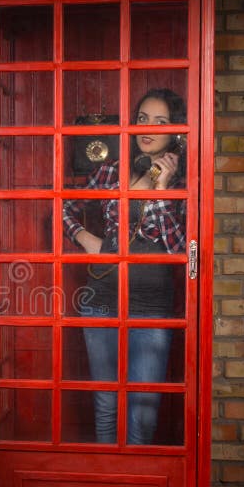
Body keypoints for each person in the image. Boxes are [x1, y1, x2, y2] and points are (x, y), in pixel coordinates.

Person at [63, 89, 187, 445]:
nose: (148, 127)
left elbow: (178, 248)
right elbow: (61, 208)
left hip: (151, 307)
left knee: (143, 413)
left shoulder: (182, 181)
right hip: (101, 299)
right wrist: (88, 240)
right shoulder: (111, 172)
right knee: (106, 403)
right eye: (143, 118)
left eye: (160, 122)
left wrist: (161, 189)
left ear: (176, 130)